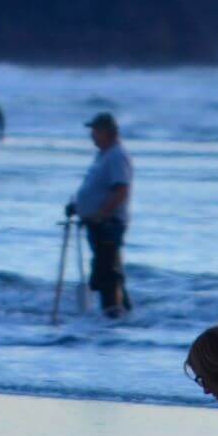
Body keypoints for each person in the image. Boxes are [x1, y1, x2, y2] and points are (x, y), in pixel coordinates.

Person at [63, 111, 132, 316]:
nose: (92, 135)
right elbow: (94, 188)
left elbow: (121, 191)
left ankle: (114, 315)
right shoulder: (103, 155)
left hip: (109, 224)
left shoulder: (118, 156)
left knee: (107, 272)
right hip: (96, 223)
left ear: (106, 132)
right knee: (106, 269)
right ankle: (121, 313)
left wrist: (101, 214)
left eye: (95, 131)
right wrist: (77, 206)